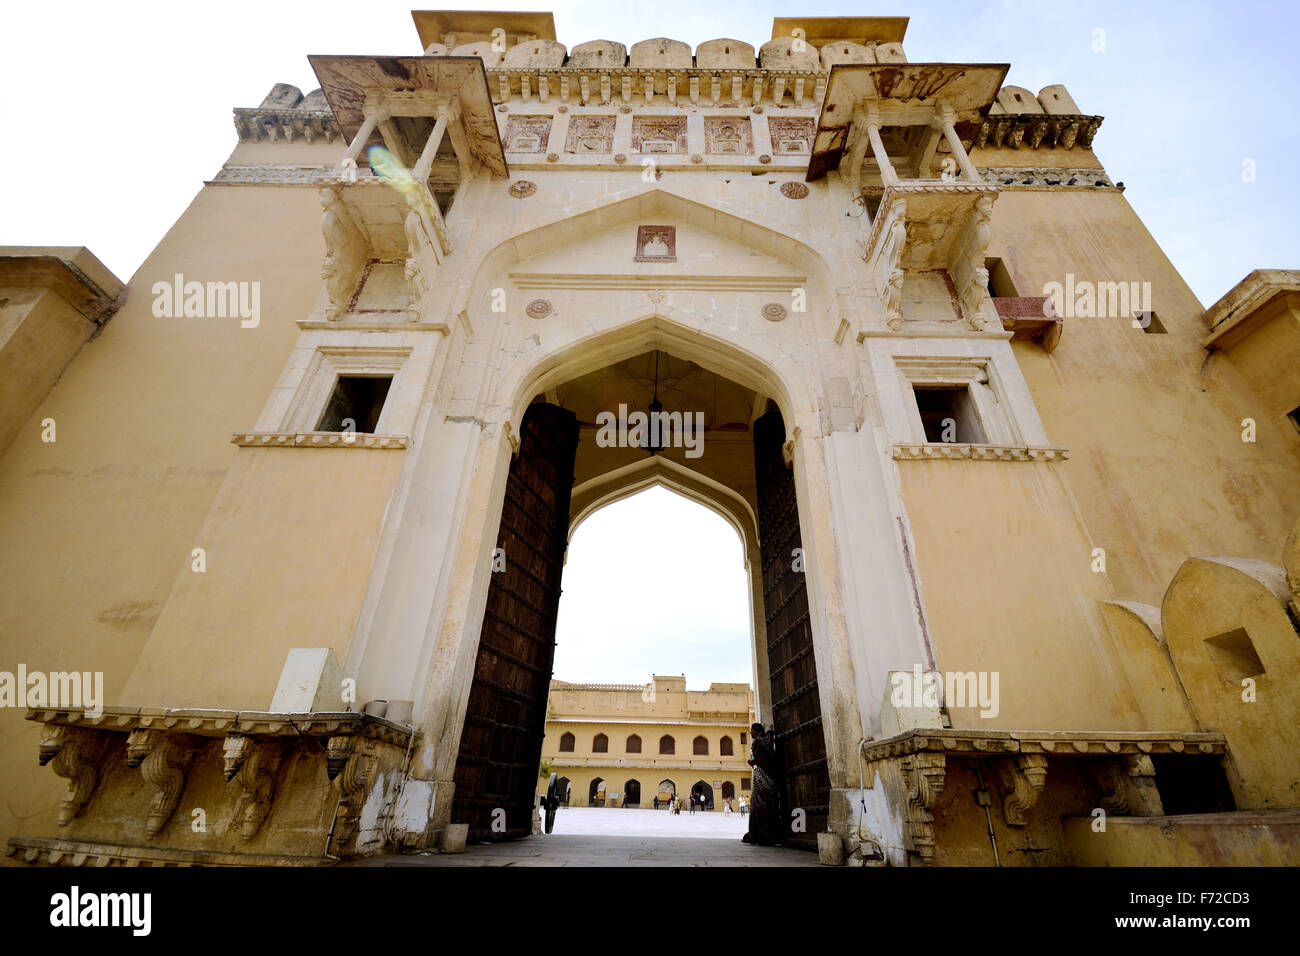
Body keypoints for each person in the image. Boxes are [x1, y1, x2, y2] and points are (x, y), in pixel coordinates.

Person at [742, 722, 785, 846]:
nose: (750, 732)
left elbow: (761, 760)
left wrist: (752, 761)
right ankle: (768, 833)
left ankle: (760, 834)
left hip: (761, 776)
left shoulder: (758, 743)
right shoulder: (767, 742)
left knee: (760, 803)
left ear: (757, 731)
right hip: (769, 777)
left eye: (752, 730)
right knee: (768, 803)